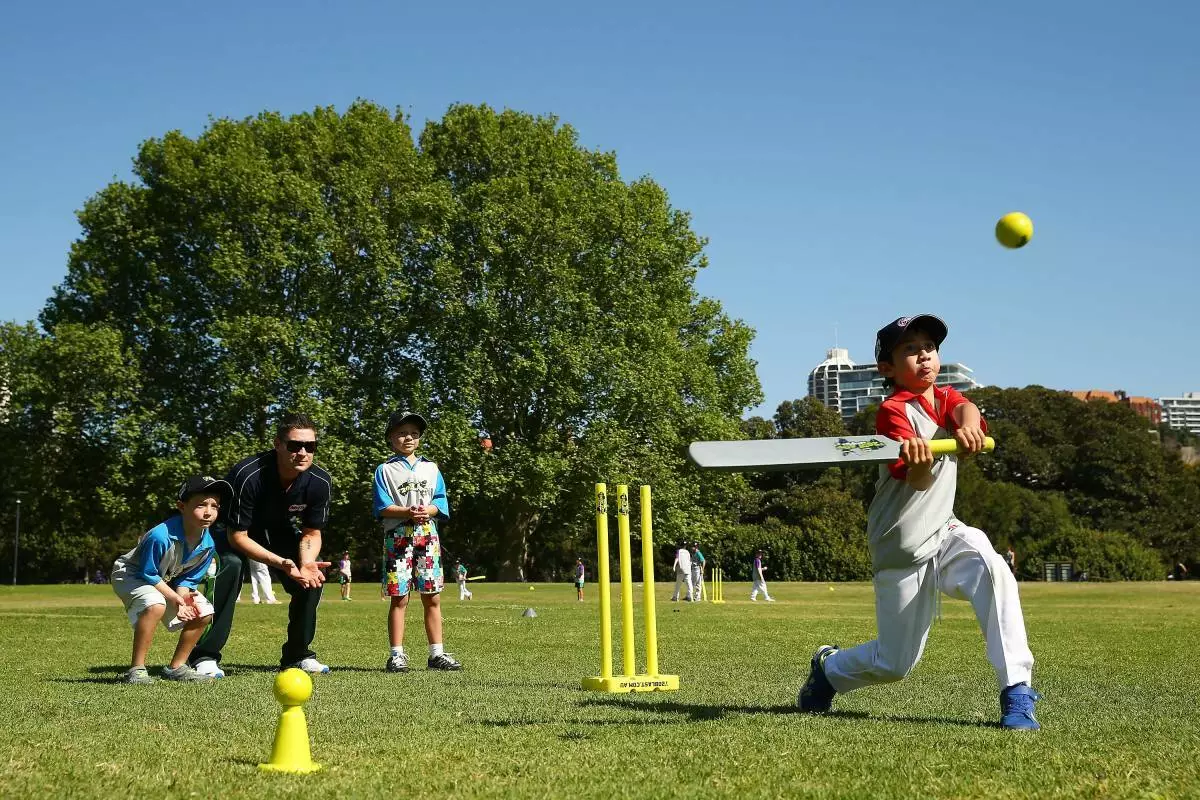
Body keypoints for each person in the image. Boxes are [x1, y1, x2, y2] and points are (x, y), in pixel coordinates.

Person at [798, 314, 1041, 730]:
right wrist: (919, 458)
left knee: (992, 567)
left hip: (943, 531)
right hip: (901, 545)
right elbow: (919, 481)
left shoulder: (944, 398)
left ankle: (1016, 691)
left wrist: (967, 429)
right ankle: (829, 670)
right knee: (894, 665)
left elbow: (966, 408)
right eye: (909, 349)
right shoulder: (892, 413)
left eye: (929, 346)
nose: (924, 354)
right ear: (887, 369)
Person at [188, 412, 334, 677]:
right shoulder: (249, 474)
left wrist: (307, 562)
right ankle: (204, 656)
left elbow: (312, 532)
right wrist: (281, 563)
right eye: (294, 445)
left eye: (310, 447)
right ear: (278, 444)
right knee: (230, 567)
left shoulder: (319, 481)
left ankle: (297, 654)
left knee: (311, 580)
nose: (303, 452)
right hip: (235, 530)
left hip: (278, 530)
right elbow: (238, 537)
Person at [110, 476, 230, 684]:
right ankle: (136, 670)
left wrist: (184, 599)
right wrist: (176, 599)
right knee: (155, 605)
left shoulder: (208, 543)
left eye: (215, 506)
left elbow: (187, 579)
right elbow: (147, 573)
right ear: (181, 506)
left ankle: (176, 668)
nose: (209, 512)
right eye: (201, 505)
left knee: (204, 612)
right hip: (130, 574)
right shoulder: (160, 535)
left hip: (164, 580)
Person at [375, 411, 462, 673]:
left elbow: (440, 501)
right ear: (391, 438)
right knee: (399, 597)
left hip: (427, 536)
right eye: (401, 433)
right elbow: (381, 507)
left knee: (431, 596)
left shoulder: (431, 468)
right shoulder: (385, 470)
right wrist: (406, 512)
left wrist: (429, 511)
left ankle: (436, 653)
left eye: (414, 433)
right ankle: (396, 655)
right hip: (398, 537)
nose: (408, 437)